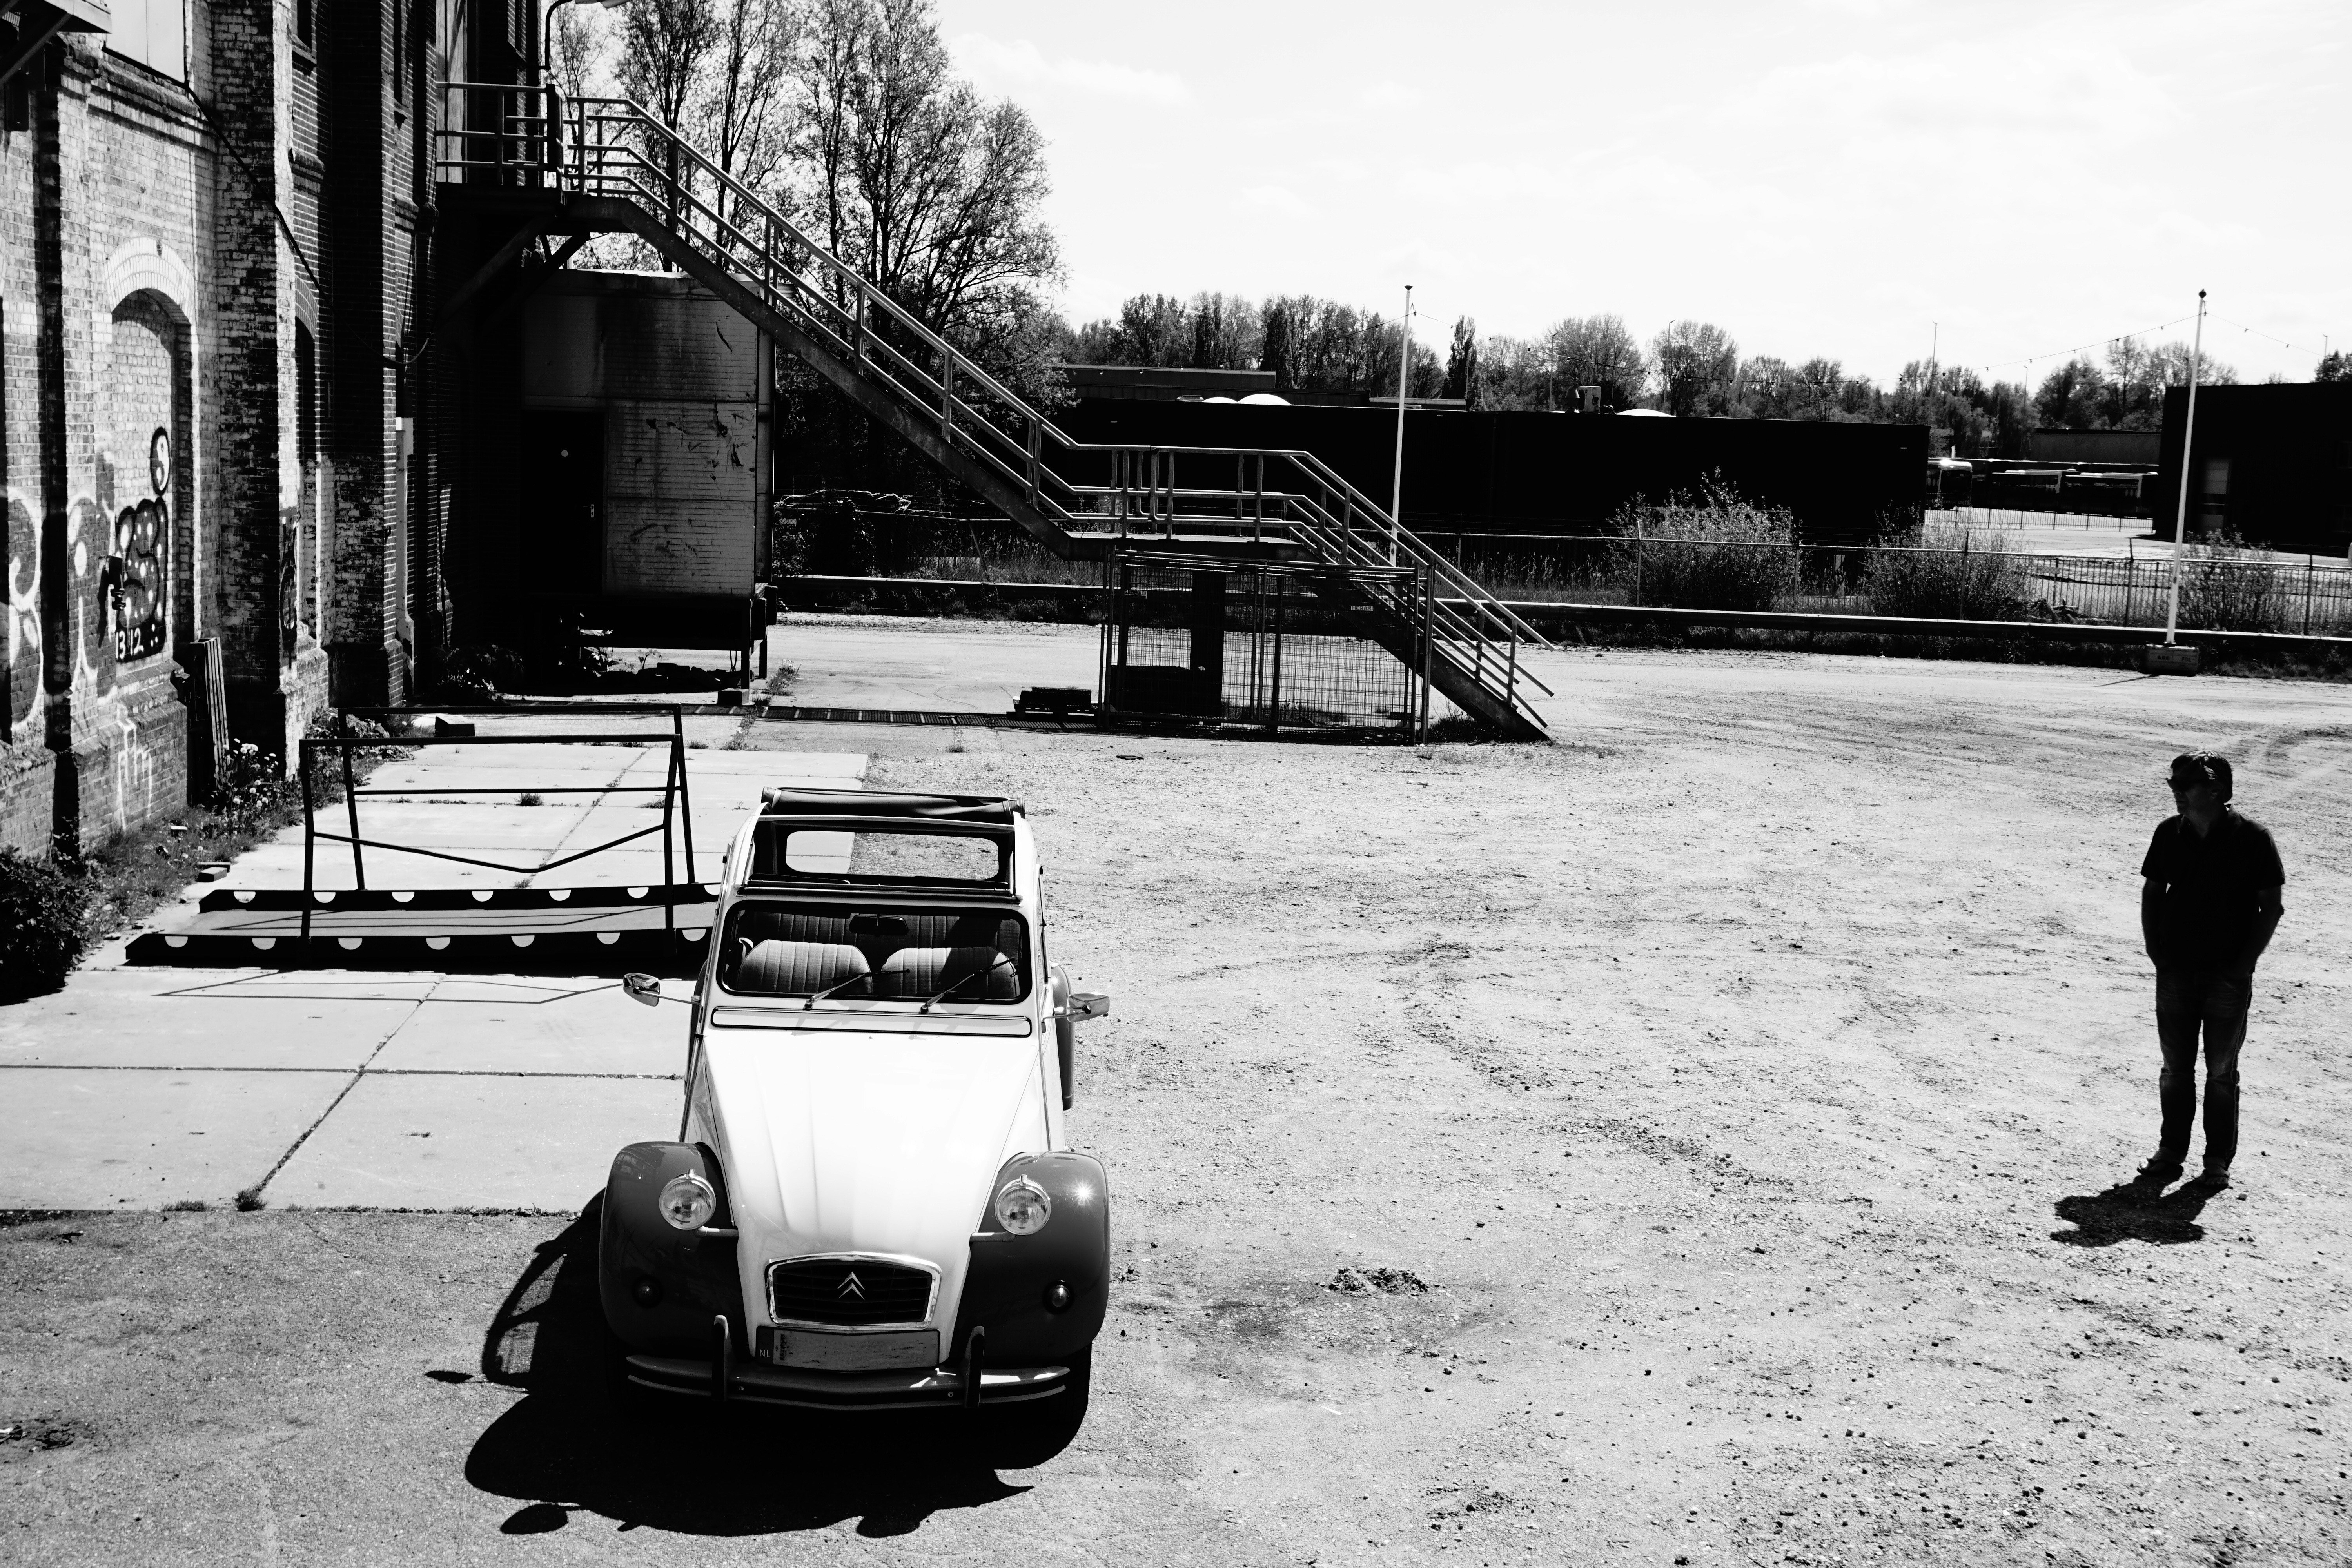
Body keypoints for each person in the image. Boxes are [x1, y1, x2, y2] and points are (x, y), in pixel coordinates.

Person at [2127, 752, 2284, 1194]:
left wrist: (2244, 963)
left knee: (2220, 1073)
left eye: (2186, 786)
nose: (2176, 792)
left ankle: (2216, 1161)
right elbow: (2153, 892)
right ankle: (2170, 1152)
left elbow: (2270, 906)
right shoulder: (2168, 833)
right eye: (2174, 784)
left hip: (2227, 976)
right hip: (2175, 969)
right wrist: (2155, 949)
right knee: (2176, 1070)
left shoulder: (2253, 838)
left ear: (2216, 791)